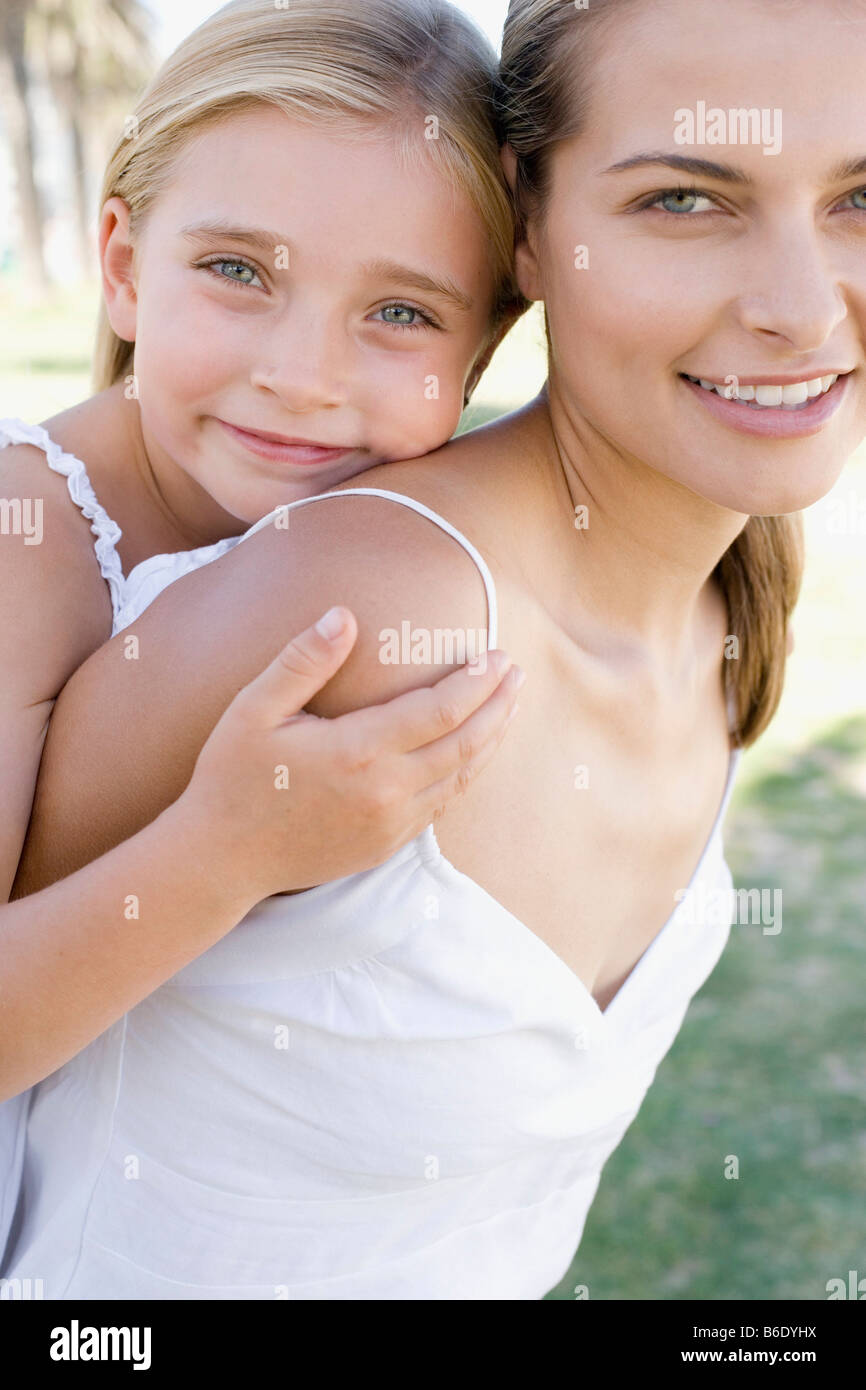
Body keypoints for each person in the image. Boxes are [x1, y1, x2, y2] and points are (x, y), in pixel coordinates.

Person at [8, 0, 866, 1298]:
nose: (797, 312)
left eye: (401, 310)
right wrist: (223, 853)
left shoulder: (716, 613)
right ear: (532, 227)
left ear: (485, 319)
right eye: (683, 199)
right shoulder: (278, 593)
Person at [0, 0, 528, 1268]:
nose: (303, 374)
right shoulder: (27, 539)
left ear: (483, 349)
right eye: (238, 271)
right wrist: (230, 852)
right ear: (124, 264)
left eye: (401, 313)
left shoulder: (404, 543)